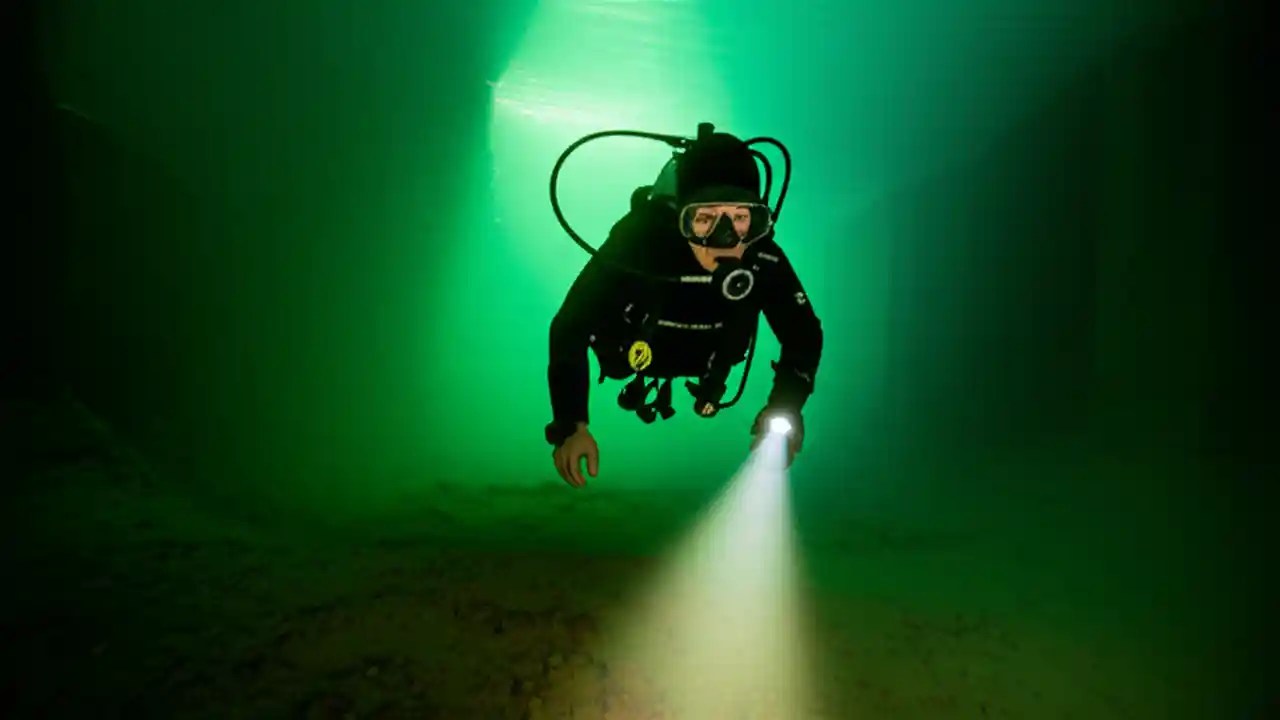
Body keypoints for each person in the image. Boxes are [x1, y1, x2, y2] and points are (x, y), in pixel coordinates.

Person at [544, 130, 823, 487]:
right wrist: (571, 425)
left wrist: (786, 406)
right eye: (705, 218)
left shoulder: (762, 259)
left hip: (707, 367)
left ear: (758, 221)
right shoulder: (639, 242)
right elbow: (570, 325)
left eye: (741, 218)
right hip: (630, 357)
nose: (725, 238)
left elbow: (803, 334)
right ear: (681, 216)